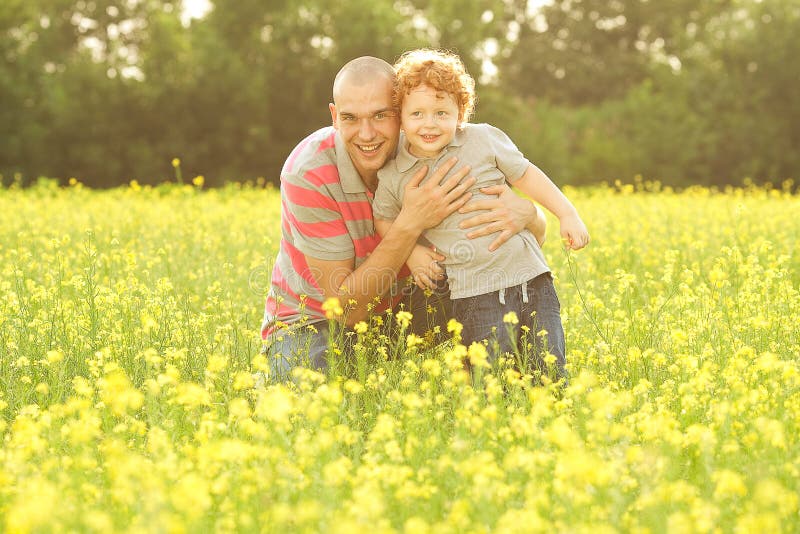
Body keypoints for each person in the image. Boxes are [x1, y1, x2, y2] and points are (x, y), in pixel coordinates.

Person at [261, 56, 547, 380]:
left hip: (405, 307)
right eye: (351, 118)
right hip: (316, 321)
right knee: (303, 405)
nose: (366, 134)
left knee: (498, 288)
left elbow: (521, 241)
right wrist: (411, 222)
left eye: (381, 115)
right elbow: (345, 310)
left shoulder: (428, 143)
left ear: (400, 110)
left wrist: (530, 214)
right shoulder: (308, 173)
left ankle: (495, 385)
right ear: (334, 117)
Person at [373, 49, 590, 378]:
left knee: (549, 380)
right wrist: (413, 254)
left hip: (533, 280)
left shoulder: (484, 139)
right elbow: (383, 219)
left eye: (441, 112)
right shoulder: (394, 174)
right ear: (399, 116)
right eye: (417, 113)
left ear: (461, 112)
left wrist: (567, 213)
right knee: (488, 386)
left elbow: (526, 174)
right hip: (474, 295)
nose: (429, 124)